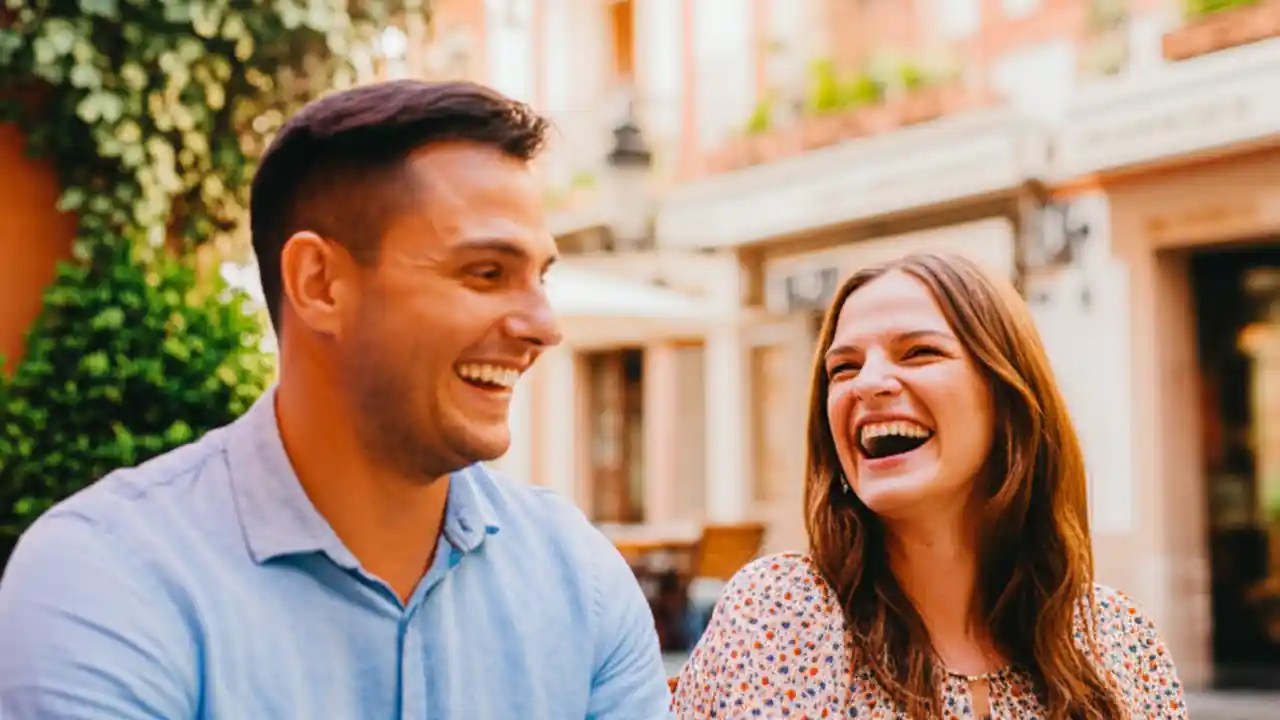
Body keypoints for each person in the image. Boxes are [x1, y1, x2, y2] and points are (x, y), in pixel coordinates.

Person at [0, 80, 670, 719]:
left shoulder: (578, 581)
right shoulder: (108, 579)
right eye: (486, 273)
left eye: (539, 278)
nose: (544, 326)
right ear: (319, 283)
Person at [672, 253, 1188, 719]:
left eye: (918, 352)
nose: (868, 383)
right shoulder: (782, 616)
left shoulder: (1121, 641)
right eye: (844, 367)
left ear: (1008, 397)